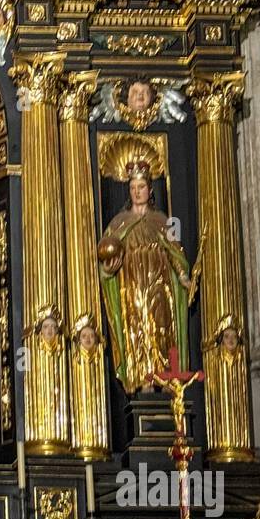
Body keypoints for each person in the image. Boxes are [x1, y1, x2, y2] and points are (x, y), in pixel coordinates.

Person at [97, 161, 195, 394]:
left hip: (160, 286)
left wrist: (182, 277)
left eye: (141, 187)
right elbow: (104, 263)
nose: (137, 191)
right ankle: (144, 383)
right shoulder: (118, 224)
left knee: (160, 330)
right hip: (131, 288)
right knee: (136, 331)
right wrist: (108, 271)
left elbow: (175, 252)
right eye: (133, 187)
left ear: (150, 190)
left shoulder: (162, 220)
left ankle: (165, 380)